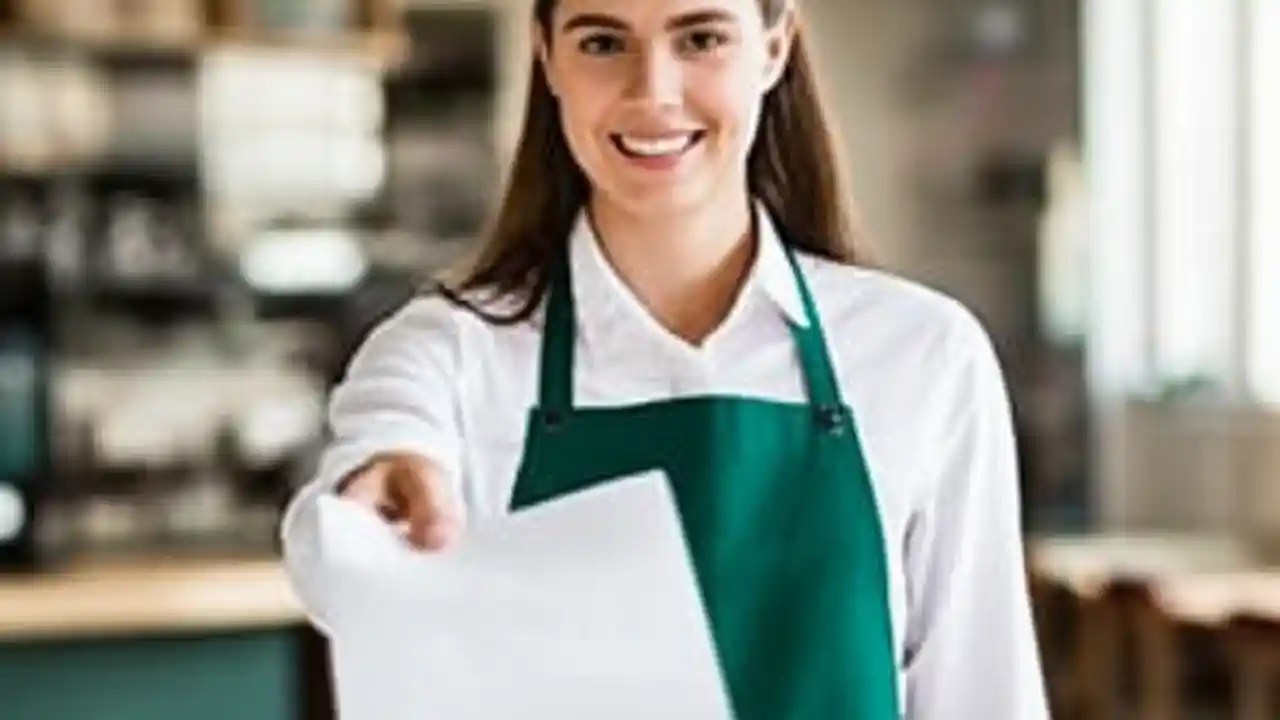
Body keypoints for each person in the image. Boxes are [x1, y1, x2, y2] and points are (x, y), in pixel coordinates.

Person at [281, 0, 1048, 717]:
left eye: (701, 38)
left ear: (774, 47)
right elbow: (347, 535)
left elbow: (983, 692)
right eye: (603, 42)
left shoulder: (923, 355)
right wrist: (379, 499)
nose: (653, 91)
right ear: (547, 57)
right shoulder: (452, 352)